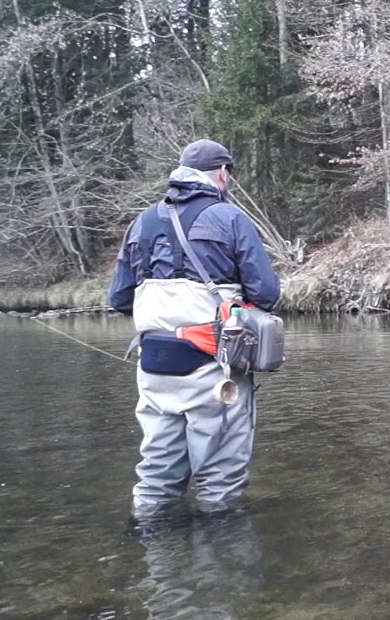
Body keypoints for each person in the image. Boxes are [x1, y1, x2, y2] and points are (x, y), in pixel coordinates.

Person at [108, 139, 280, 520]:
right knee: (221, 477)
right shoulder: (230, 218)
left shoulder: (142, 222)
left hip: (154, 368)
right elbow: (266, 293)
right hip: (214, 367)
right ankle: (221, 564)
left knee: (157, 472)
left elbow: (119, 299)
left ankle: (156, 554)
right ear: (221, 173)